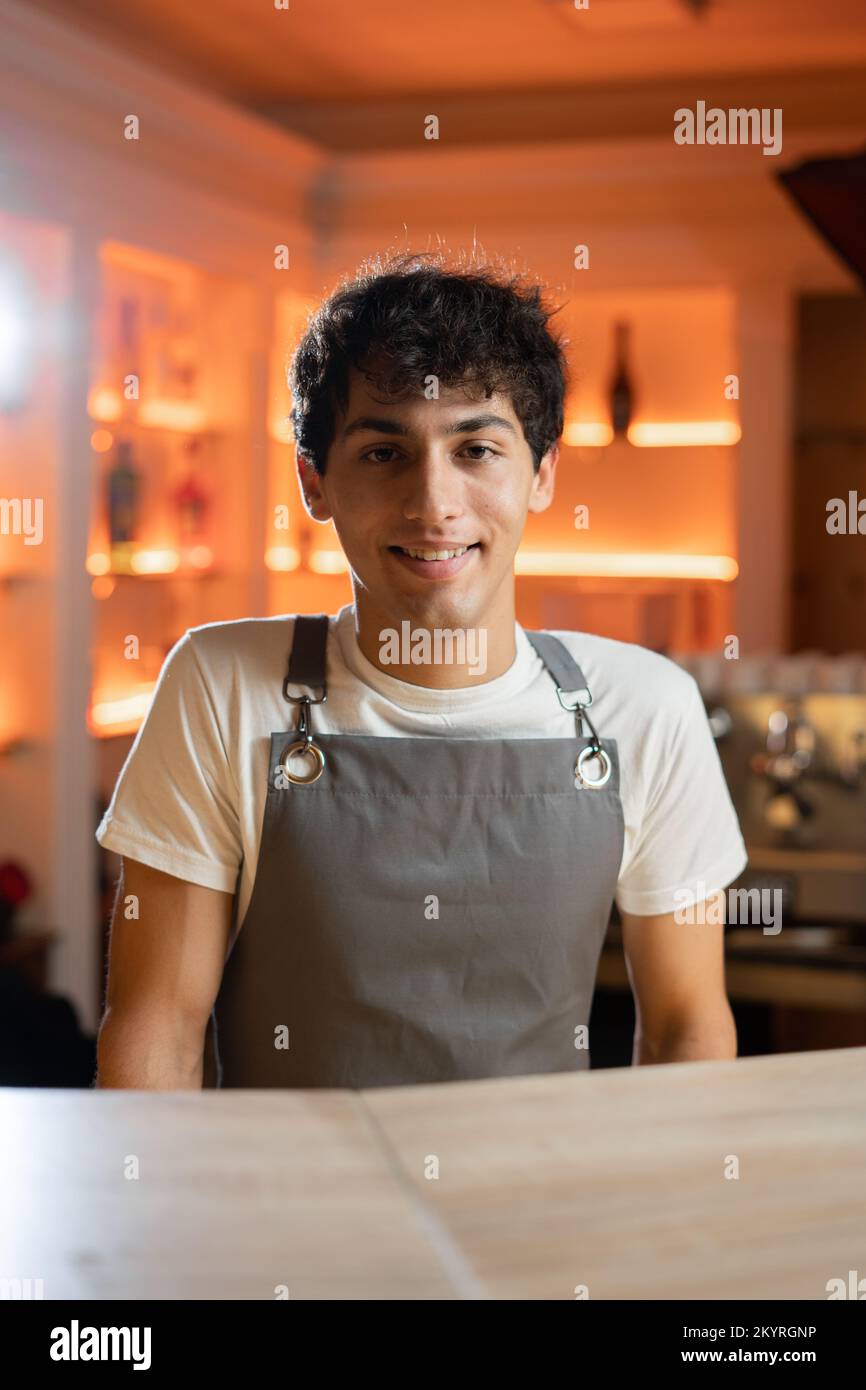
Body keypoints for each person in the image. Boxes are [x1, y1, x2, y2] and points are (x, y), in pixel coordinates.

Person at [95, 250, 747, 1090]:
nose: (433, 505)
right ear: (313, 482)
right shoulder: (220, 684)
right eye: (382, 453)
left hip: (545, 1210)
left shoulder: (645, 706)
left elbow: (690, 1030)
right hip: (284, 1215)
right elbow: (156, 1029)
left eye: (477, 450)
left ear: (543, 473)